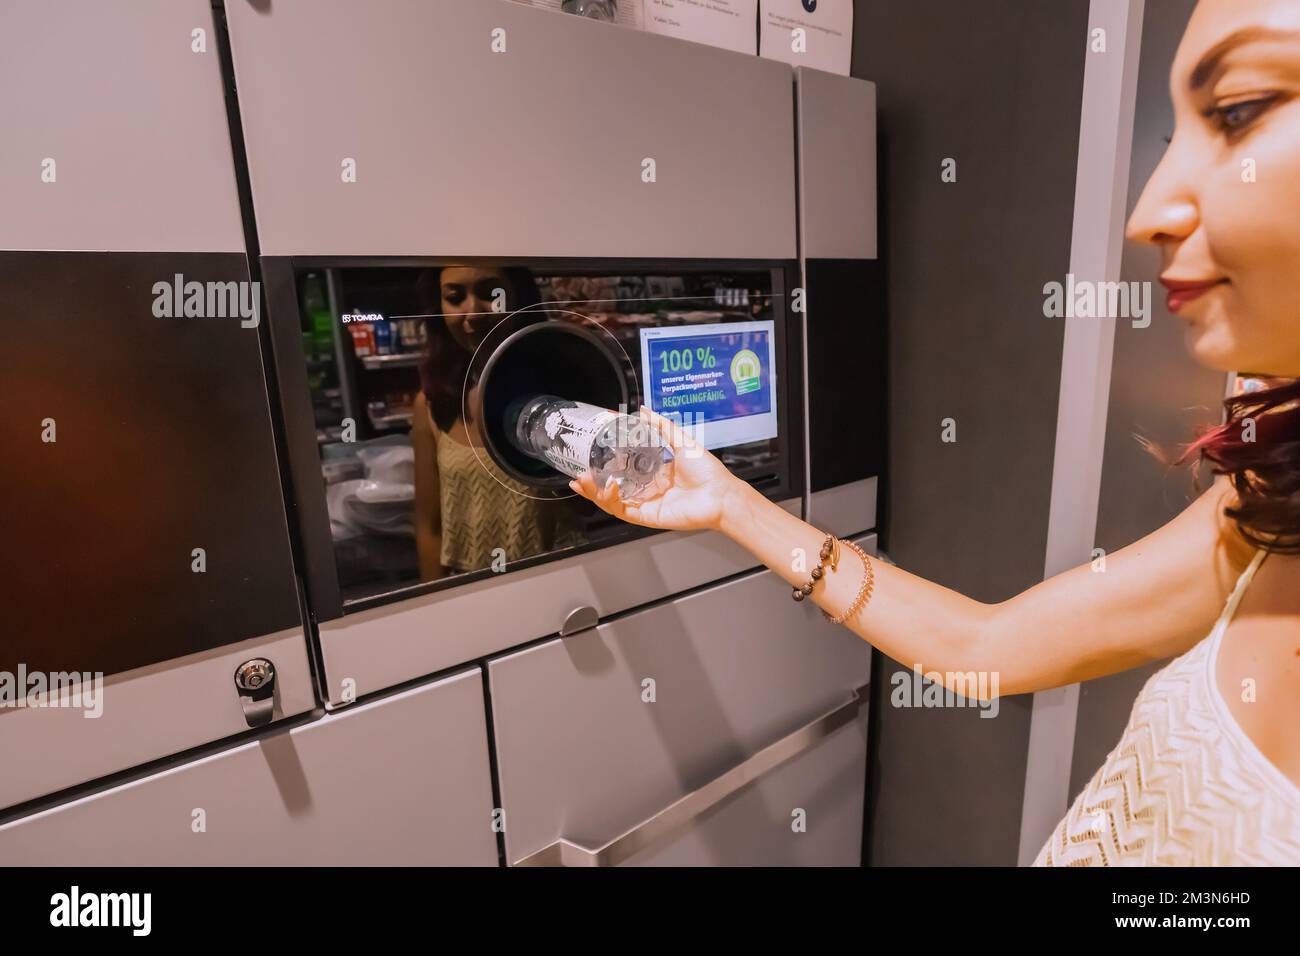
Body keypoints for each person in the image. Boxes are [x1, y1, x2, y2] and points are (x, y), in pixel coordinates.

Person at [569, 0, 1300, 865]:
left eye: (1241, 111)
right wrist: (731, 505)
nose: (1148, 210)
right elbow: (981, 648)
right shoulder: (1265, 519)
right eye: (1176, 134)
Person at [412, 265, 561, 579]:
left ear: (519, 296)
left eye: (491, 294)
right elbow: (429, 527)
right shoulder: (431, 404)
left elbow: (589, 503)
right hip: (473, 595)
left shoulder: (559, 387)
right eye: (454, 297)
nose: (473, 312)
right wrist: (434, 607)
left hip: (558, 581)